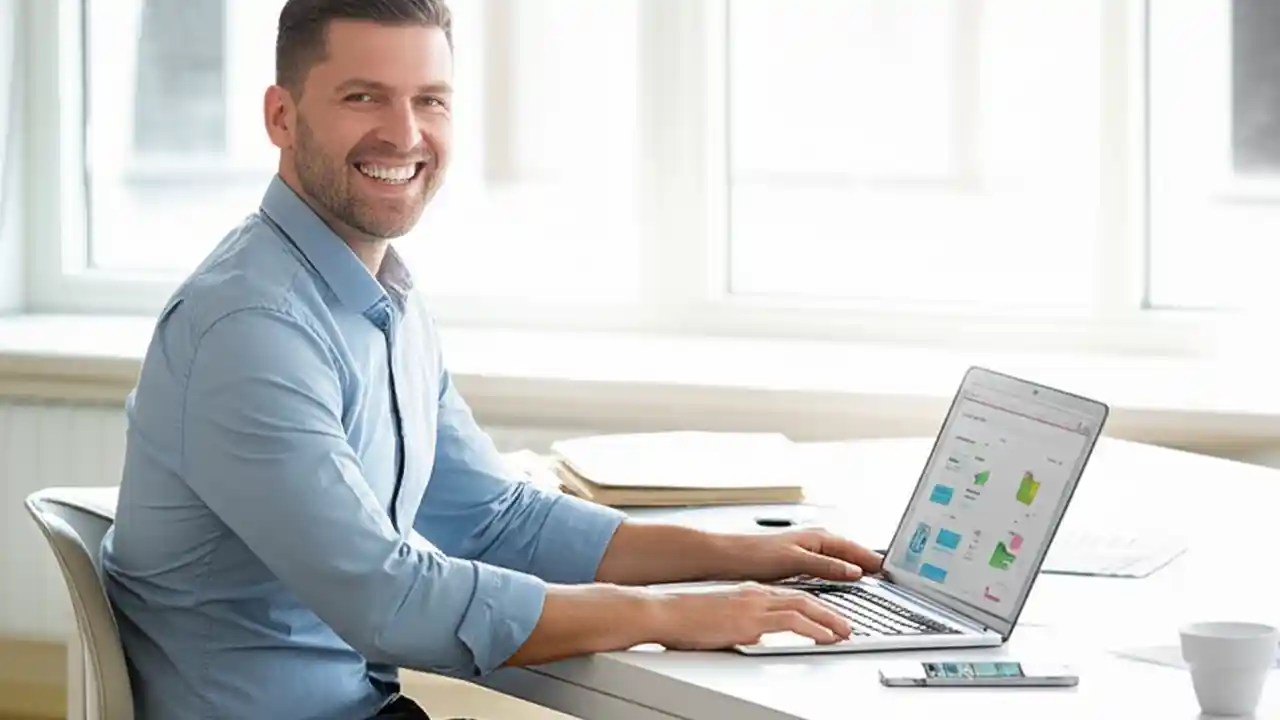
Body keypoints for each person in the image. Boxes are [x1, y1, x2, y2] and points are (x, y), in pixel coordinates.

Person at [101, 1, 882, 717]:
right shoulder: (251, 327)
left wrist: (740, 558)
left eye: (430, 100)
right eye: (363, 96)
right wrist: (675, 615)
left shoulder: (381, 299)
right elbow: (392, 599)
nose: (405, 134)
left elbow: (495, 519)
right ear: (281, 115)